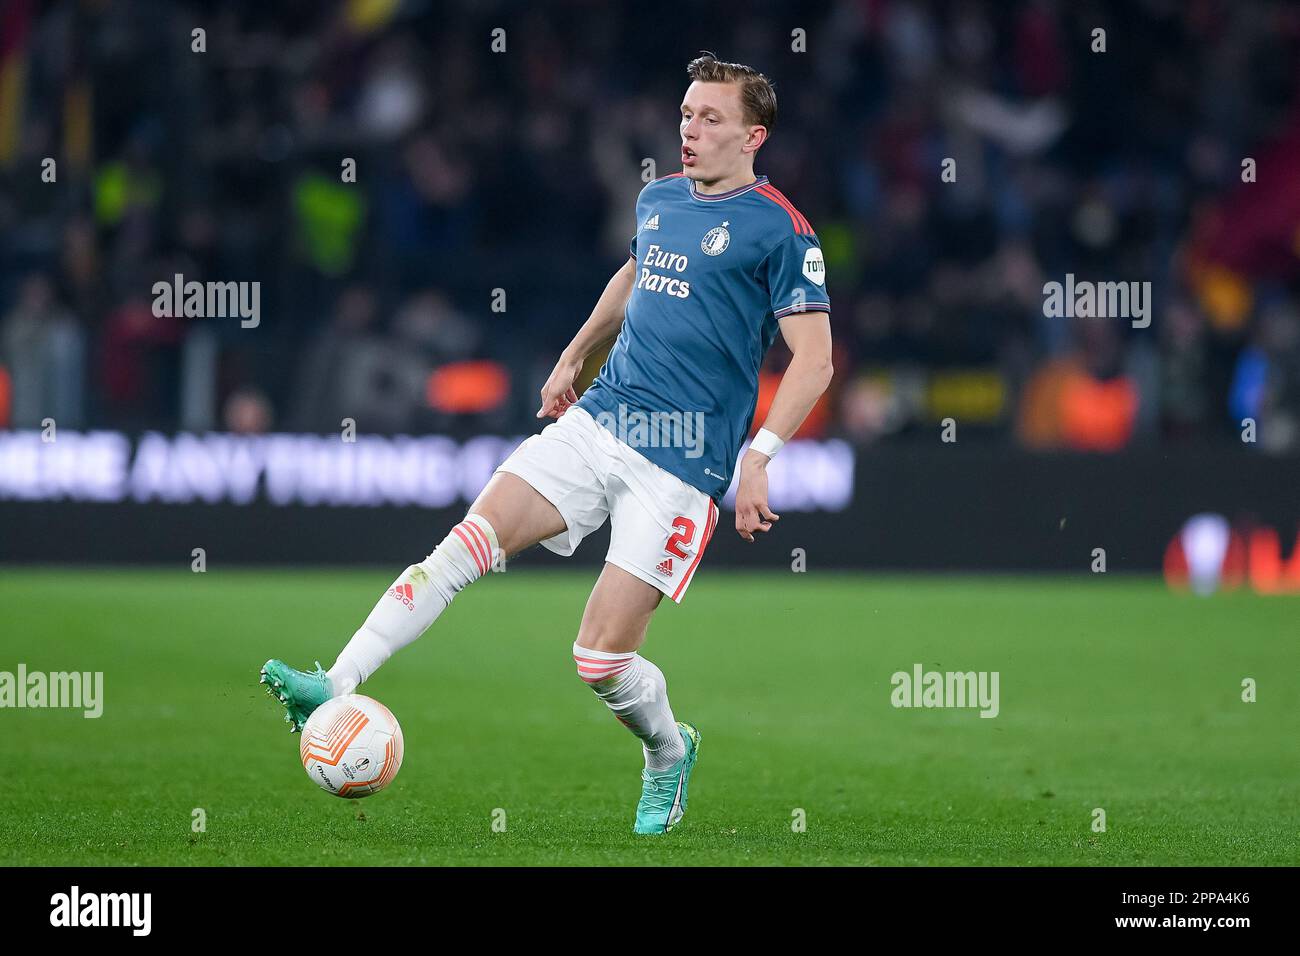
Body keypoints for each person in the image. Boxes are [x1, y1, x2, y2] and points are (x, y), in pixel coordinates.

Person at [261, 53, 834, 835]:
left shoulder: (783, 231)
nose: (689, 132)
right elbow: (631, 282)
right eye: (686, 115)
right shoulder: (659, 200)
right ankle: (335, 681)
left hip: (683, 463)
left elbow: (817, 360)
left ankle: (668, 751)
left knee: (599, 661)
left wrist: (760, 455)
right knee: (463, 546)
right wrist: (574, 355)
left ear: (753, 136)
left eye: (710, 120)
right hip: (603, 419)